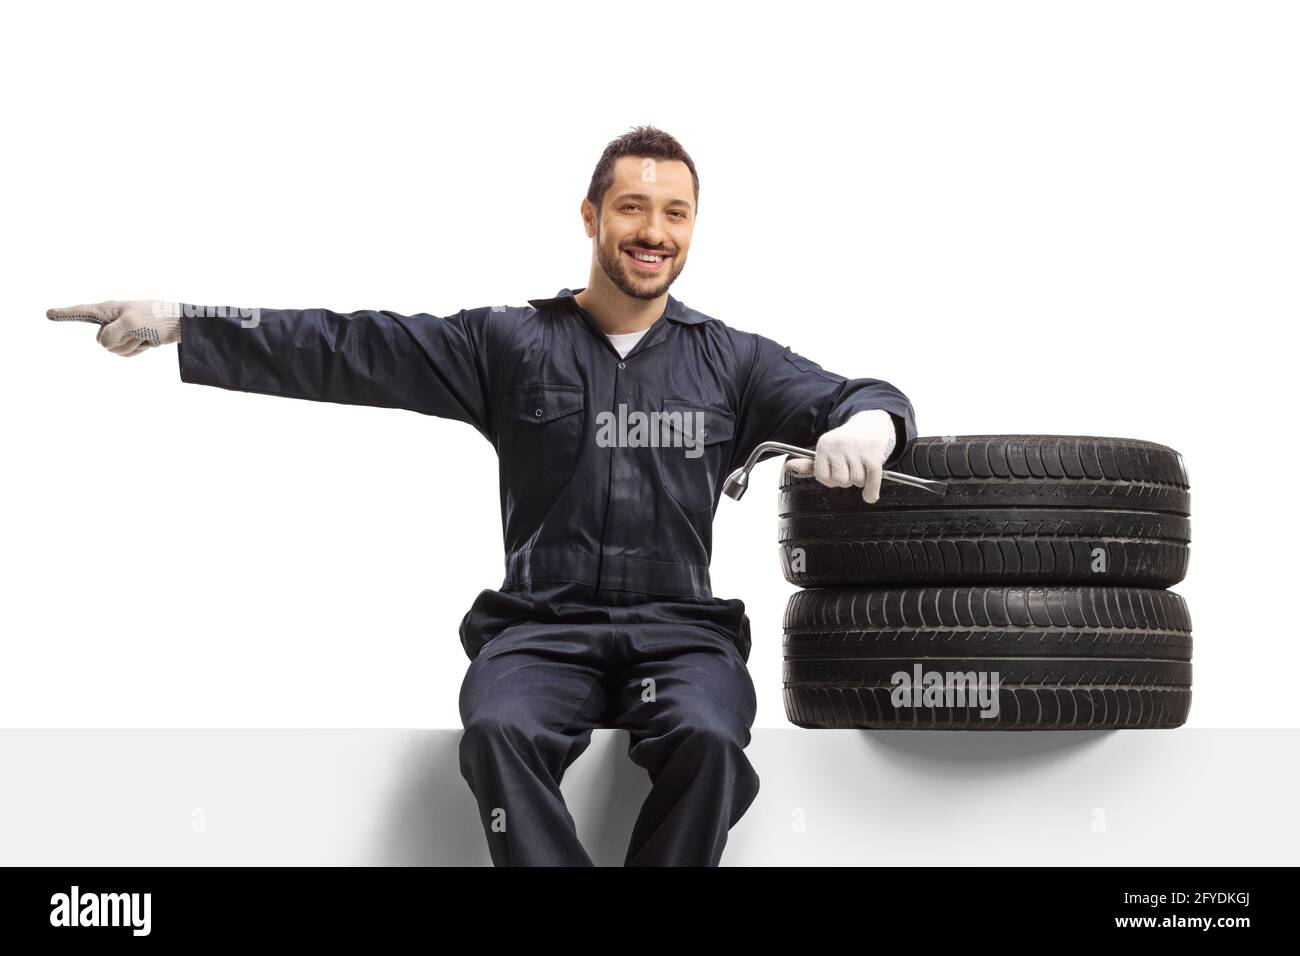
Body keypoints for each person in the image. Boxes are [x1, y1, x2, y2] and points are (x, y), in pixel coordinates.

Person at [47, 126, 917, 866]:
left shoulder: (732, 361)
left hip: (680, 639)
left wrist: (870, 426)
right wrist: (186, 320)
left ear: (692, 228)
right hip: (542, 632)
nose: (653, 231)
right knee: (498, 733)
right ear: (591, 217)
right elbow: (350, 348)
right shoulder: (512, 344)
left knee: (712, 741)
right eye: (632, 209)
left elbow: (863, 394)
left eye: (674, 213)